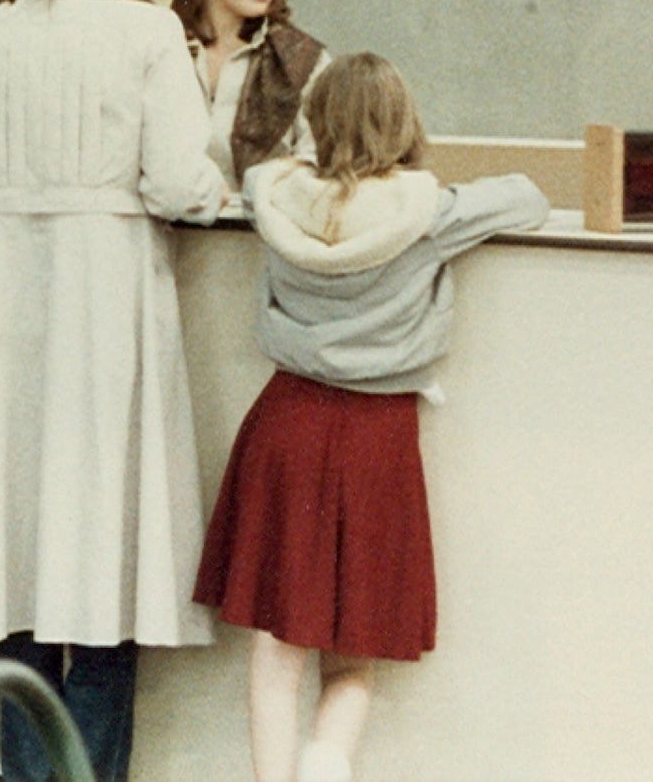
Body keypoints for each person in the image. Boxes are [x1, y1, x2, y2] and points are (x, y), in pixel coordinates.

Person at [0, 0, 228, 782]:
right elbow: (177, 181)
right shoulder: (147, 27)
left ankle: (23, 771)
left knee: (15, 549)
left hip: (6, 298)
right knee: (107, 555)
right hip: (109, 296)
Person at [193, 54, 548, 782]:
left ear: (316, 121)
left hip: (284, 420)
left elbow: (256, 172)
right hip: (376, 434)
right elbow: (529, 196)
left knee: (273, 645)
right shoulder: (430, 214)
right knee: (352, 646)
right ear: (403, 122)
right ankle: (327, 761)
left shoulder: (273, 195)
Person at [167, 0, 329, 189]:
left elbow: (320, 157)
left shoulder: (301, 60)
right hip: (169, 232)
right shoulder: (163, 45)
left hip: (261, 230)